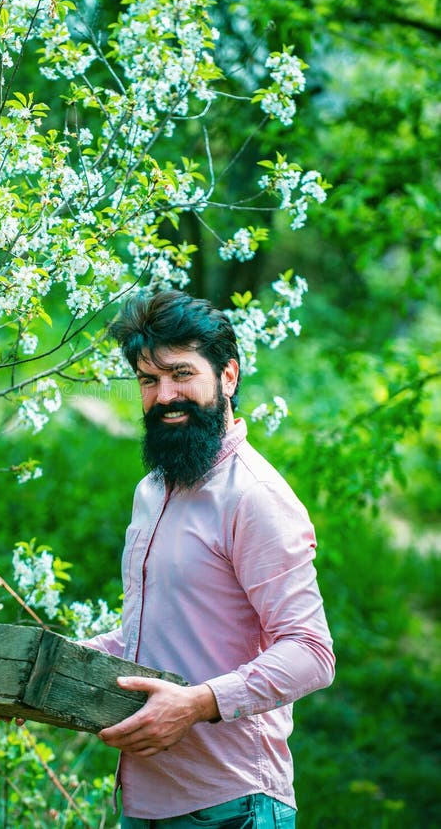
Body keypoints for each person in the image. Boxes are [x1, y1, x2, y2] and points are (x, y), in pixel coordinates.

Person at [85, 289, 335, 828]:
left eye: (182, 374)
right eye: (149, 381)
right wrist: (49, 670)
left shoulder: (255, 498)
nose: (165, 395)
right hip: (144, 804)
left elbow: (313, 652)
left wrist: (197, 702)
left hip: (235, 806)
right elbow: (153, 633)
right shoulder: (152, 490)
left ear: (228, 377)